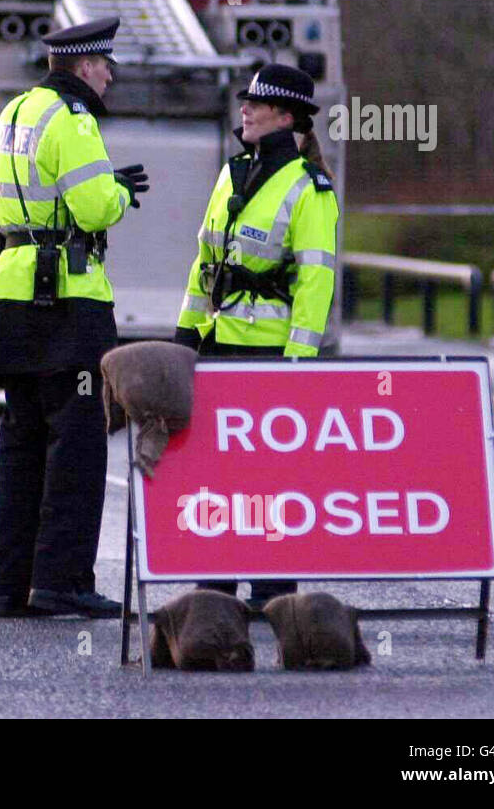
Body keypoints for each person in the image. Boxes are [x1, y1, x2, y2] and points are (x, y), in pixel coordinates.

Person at [0, 16, 149, 620]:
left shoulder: (14, 112)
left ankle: (11, 587)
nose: (111, 75)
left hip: (12, 292)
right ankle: (63, 581)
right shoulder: (73, 119)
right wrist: (119, 191)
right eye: (106, 65)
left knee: (21, 442)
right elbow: (94, 209)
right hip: (68, 302)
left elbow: (22, 198)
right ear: (84, 67)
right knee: (78, 443)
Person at [173, 62, 339, 608]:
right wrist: (186, 334)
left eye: (257, 103)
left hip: (271, 356)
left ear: (286, 117)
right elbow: (206, 262)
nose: (244, 107)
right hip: (221, 350)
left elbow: (316, 280)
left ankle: (272, 594)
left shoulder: (310, 188)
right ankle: (216, 591)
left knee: (270, 481)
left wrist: (297, 362)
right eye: (245, 101)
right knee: (219, 477)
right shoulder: (231, 173)